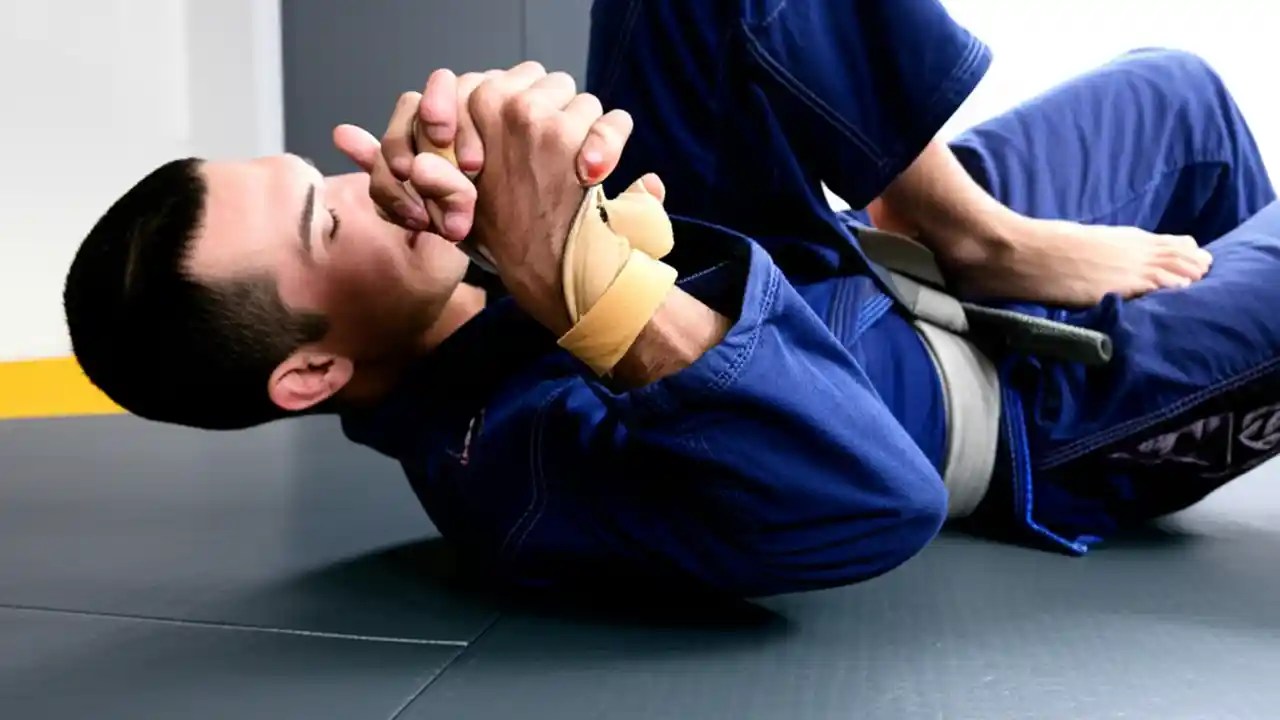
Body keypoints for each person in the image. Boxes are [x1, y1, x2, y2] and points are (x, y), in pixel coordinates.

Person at [62, 0, 1280, 598]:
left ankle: (972, 231)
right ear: (311, 373)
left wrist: (525, 170)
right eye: (327, 221)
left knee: (1172, 88)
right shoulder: (508, 478)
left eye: (321, 171)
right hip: (1014, 405)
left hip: (864, 256)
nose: (366, 186)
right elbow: (872, 502)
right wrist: (572, 273)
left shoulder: (452, 248)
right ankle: (1193, 375)